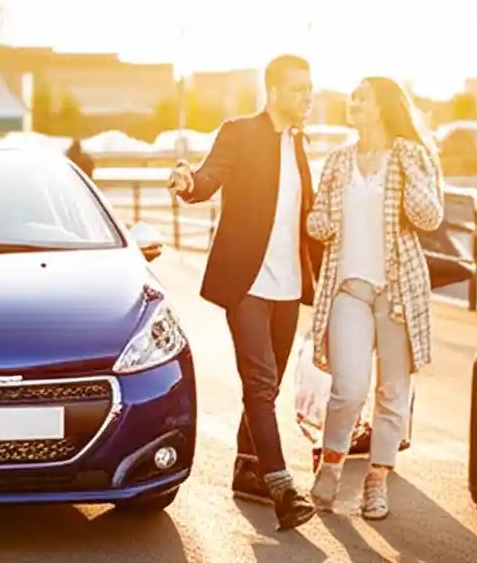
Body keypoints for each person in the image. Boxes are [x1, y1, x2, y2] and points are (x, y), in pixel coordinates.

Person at [168, 54, 321, 531]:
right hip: (248, 283)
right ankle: (282, 487)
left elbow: (305, 215)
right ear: (274, 91)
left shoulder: (297, 143)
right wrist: (189, 181)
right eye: (300, 89)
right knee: (258, 382)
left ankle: (247, 469)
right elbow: (209, 177)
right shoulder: (239, 132)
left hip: (289, 283)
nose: (308, 98)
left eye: (310, 89)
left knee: (268, 386)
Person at [305, 76, 444, 520]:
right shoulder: (337, 161)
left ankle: (376, 481)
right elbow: (317, 223)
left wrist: (407, 163)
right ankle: (331, 464)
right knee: (348, 388)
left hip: (399, 292)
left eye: (362, 97)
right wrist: (320, 218)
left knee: (392, 390)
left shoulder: (410, 157)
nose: (353, 103)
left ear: (382, 106)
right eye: (352, 97)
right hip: (349, 289)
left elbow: (429, 217)